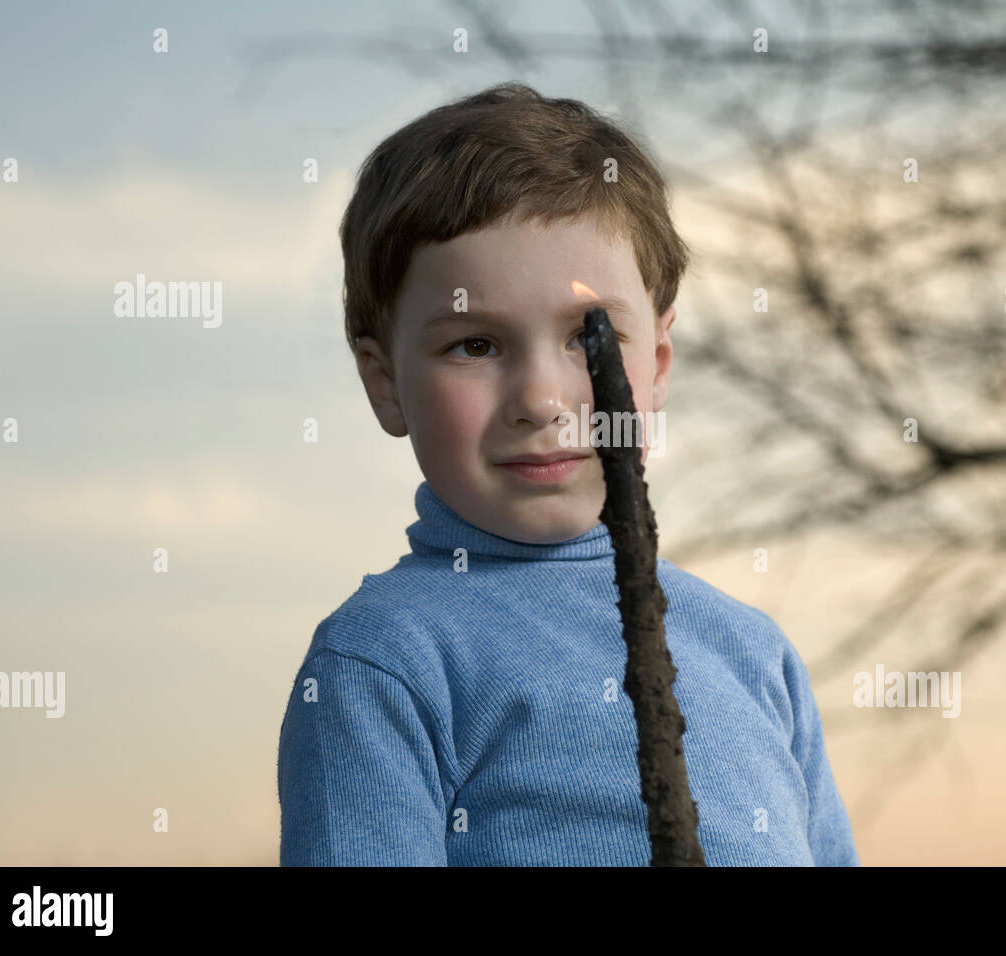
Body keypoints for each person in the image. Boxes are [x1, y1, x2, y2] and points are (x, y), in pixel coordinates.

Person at [277, 82, 860, 866]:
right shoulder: (385, 662)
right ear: (386, 383)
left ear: (653, 365)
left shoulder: (754, 655)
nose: (541, 400)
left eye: (589, 338)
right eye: (475, 345)